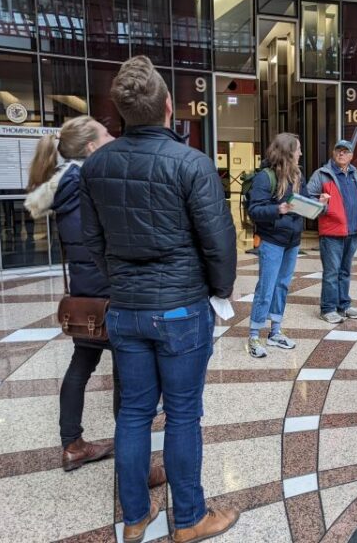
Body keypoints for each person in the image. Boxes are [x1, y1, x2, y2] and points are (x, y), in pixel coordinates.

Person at [79, 56, 239, 543]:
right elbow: (219, 241)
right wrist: (221, 291)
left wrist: (122, 284)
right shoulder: (191, 163)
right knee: (184, 413)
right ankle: (188, 519)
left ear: (123, 112)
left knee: (133, 414)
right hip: (181, 309)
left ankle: (135, 518)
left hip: (127, 309)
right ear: (169, 106)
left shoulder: (96, 164)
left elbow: (92, 241)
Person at [26, 117, 165, 481]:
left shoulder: (62, 185)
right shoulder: (91, 181)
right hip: (110, 289)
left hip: (85, 293)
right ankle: (133, 467)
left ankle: (72, 444)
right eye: (105, 134)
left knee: (81, 364)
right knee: (128, 378)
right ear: (90, 146)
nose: (113, 137)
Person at [246, 133, 329, 358]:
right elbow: (254, 211)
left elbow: (301, 204)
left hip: (292, 241)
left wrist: (318, 204)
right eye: (298, 149)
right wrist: (278, 209)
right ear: (287, 151)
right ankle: (254, 336)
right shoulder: (265, 177)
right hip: (272, 241)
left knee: (282, 286)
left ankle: (274, 332)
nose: (301, 153)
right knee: (266, 287)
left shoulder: (296, 176)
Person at [307, 139, 357, 324]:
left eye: (345, 151)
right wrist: (325, 207)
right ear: (333, 154)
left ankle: (343, 305)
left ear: (351, 156)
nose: (341, 154)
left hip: (351, 231)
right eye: (338, 151)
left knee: (345, 271)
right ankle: (328, 309)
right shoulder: (322, 174)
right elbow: (309, 197)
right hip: (332, 233)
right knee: (332, 272)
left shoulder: (354, 173)